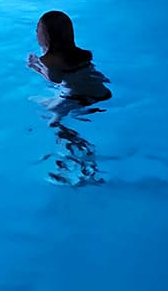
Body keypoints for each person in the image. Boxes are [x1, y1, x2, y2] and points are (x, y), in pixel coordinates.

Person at [27, 11, 111, 186]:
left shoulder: (50, 61)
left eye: (38, 30)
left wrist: (35, 66)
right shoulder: (80, 54)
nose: (35, 33)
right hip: (99, 92)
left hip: (77, 97)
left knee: (51, 120)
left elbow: (53, 79)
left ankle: (77, 148)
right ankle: (80, 152)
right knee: (45, 103)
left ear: (46, 37)